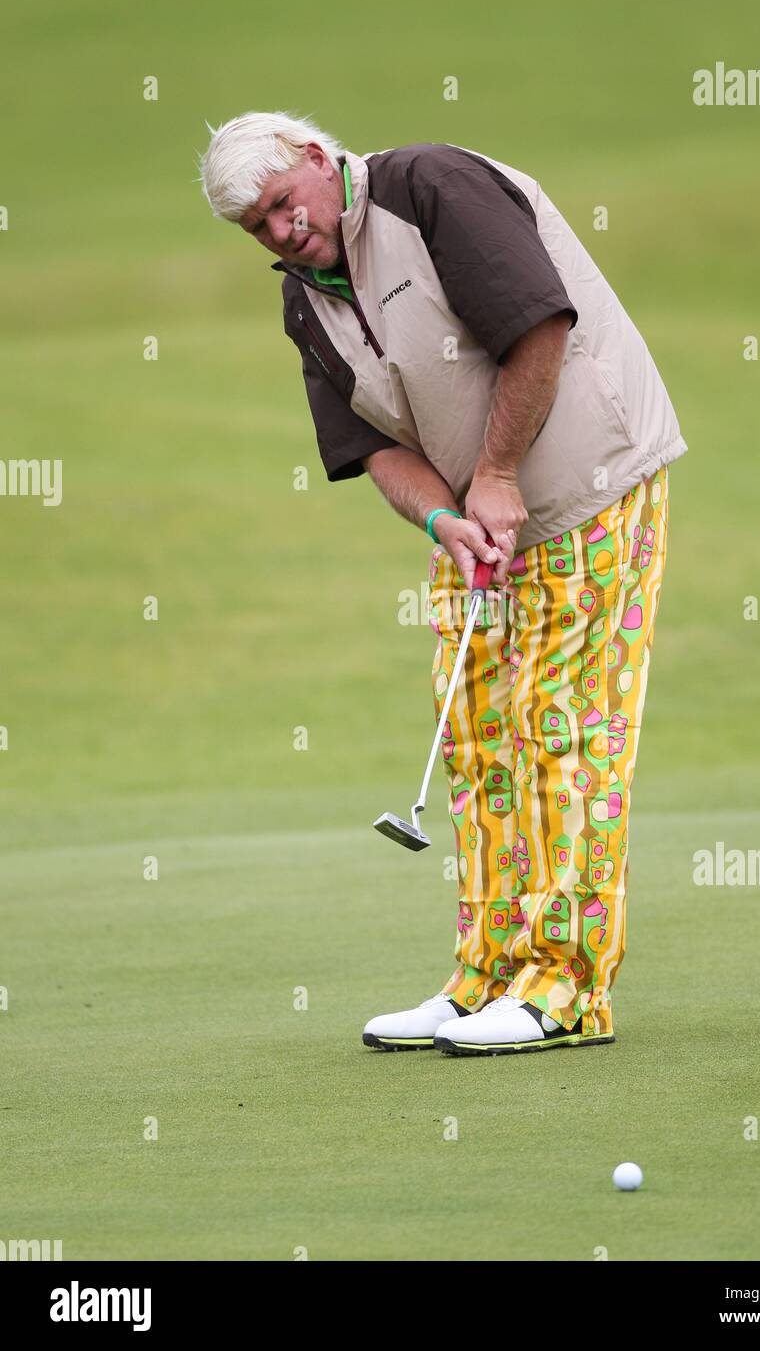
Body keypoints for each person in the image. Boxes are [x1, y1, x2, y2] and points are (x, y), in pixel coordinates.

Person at [200, 111, 687, 1058]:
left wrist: (497, 474)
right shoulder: (307, 298)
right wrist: (444, 520)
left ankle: (566, 989)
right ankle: (489, 976)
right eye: (254, 227)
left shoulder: (429, 188)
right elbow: (372, 447)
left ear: (315, 159)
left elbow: (539, 324)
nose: (278, 232)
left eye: (280, 206)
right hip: (483, 525)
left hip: (592, 486)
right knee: (472, 731)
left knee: (560, 723)